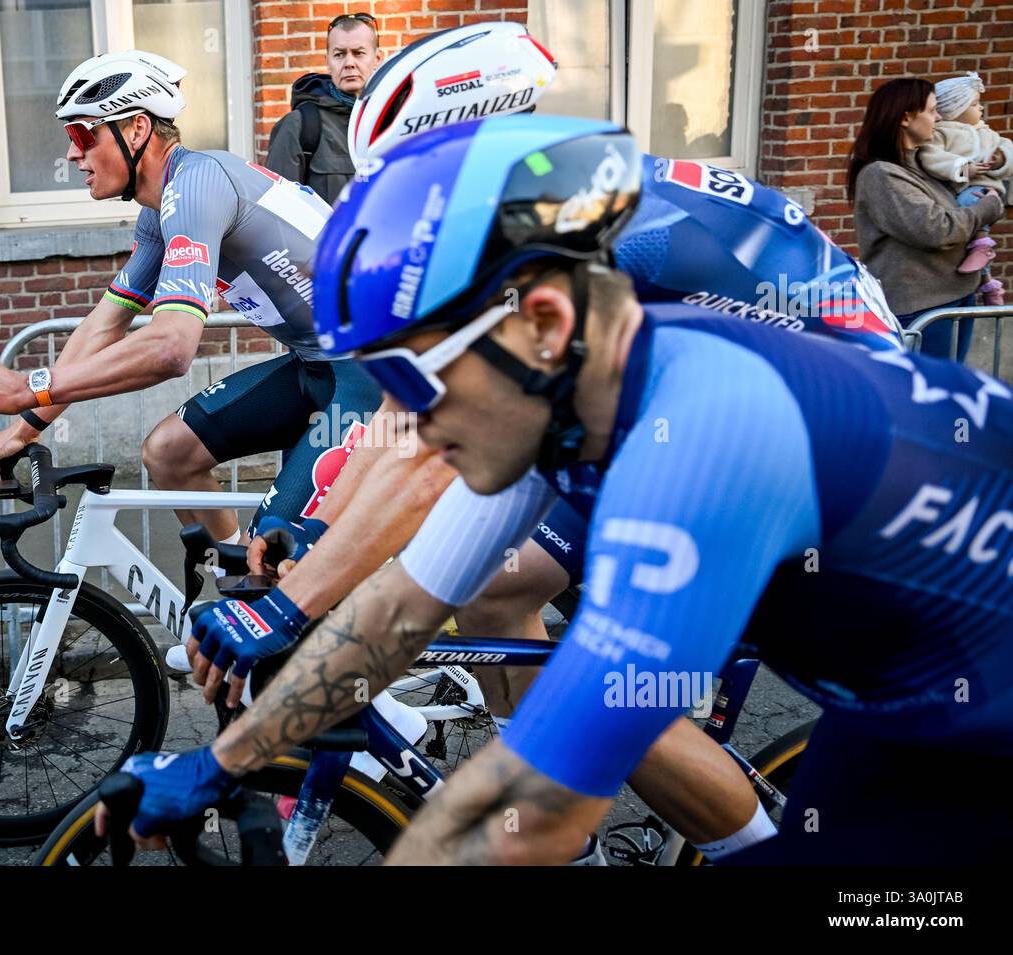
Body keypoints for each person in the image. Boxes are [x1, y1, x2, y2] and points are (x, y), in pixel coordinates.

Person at [117, 116, 1013, 865]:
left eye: (412, 379)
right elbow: (394, 613)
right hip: (901, 707)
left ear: (540, 323)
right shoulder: (561, 409)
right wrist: (219, 763)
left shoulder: (707, 438)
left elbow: (538, 808)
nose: (404, 427)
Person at [0, 51, 380, 547]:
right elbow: (104, 326)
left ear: (137, 129)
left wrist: (29, 386)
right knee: (169, 452)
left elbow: (170, 348)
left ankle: (268, 598)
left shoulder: (199, 183)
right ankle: (236, 577)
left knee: (271, 554)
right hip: (318, 366)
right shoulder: (161, 208)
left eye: (81, 135)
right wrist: (25, 428)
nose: (73, 155)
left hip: (375, 376)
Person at [850, 77, 1005, 360]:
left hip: (954, 301)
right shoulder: (882, 175)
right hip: (921, 309)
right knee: (926, 394)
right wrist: (987, 208)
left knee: (947, 391)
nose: (940, 117)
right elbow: (937, 230)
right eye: (933, 110)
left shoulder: (924, 168)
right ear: (907, 118)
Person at [264, 12, 384, 203]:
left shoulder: (396, 120)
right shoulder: (300, 126)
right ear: (327, 60)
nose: (349, 63)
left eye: (359, 53)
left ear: (377, 58)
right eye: (339, 54)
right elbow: (279, 212)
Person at [917, 71, 1013, 305]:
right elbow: (931, 157)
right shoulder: (942, 133)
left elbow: (1008, 148)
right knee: (968, 217)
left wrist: (1001, 159)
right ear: (955, 108)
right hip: (962, 192)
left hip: (988, 190)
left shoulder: (987, 133)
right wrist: (962, 168)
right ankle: (988, 283)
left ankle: (983, 261)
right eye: (974, 104)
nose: (980, 109)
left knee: (974, 216)